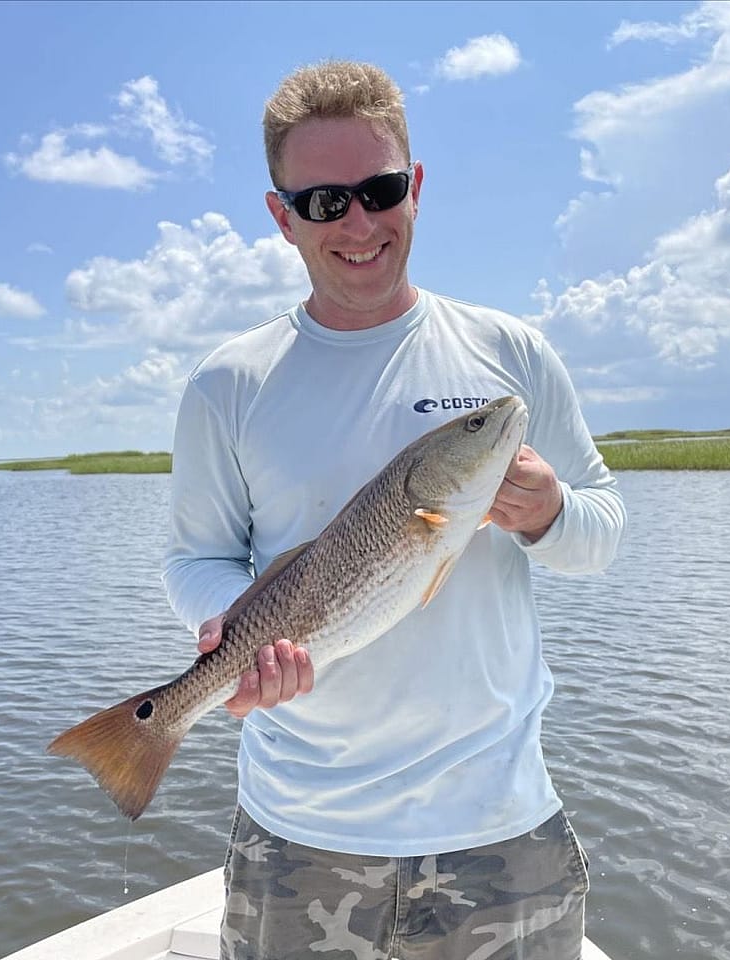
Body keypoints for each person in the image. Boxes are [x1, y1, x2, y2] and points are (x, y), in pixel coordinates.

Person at [163, 60, 625, 960]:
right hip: (299, 830)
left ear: (414, 187)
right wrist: (230, 628)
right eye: (325, 201)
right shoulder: (227, 384)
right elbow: (196, 557)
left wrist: (548, 513)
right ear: (281, 215)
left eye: (379, 191)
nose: (360, 224)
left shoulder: (510, 355)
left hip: (500, 824)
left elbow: (602, 533)